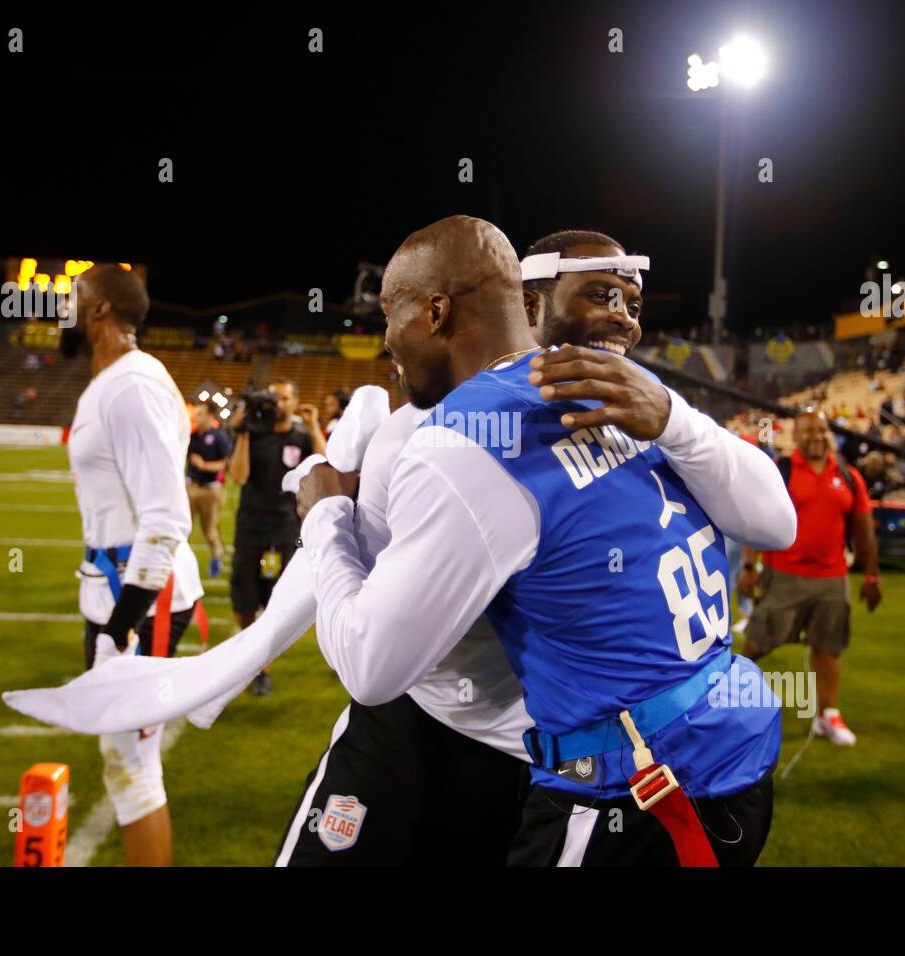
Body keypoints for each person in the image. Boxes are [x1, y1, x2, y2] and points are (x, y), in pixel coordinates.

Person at [296, 215, 796, 866]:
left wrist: (325, 516)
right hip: (703, 756)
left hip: (640, 785)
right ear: (526, 301)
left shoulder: (593, 408)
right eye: (602, 295)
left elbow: (370, 665)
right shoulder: (485, 423)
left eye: (633, 304)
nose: (625, 320)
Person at [63, 264, 204, 865]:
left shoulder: (132, 385)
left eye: (75, 297)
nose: (64, 308)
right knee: (122, 764)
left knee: (133, 772)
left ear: (100, 310)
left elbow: (167, 517)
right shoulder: (113, 381)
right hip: (114, 589)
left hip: (140, 597)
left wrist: (124, 620)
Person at [737, 409, 882, 746]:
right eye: (808, 431)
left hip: (833, 577)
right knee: (758, 642)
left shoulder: (848, 475)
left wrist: (872, 576)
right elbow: (755, 520)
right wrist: (749, 567)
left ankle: (828, 715)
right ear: (796, 437)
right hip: (784, 574)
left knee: (829, 646)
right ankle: (718, 702)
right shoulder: (781, 470)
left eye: (821, 430)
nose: (816, 437)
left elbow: (863, 529)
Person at [226, 379, 321, 695]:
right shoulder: (253, 433)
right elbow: (238, 476)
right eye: (273, 397)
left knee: (280, 595)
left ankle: (260, 664)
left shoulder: (301, 436)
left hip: (287, 528)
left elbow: (323, 469)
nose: (277, 403)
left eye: (283, 398)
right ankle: (254, 652)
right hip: (251, 523)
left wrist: (315, 426)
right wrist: (242, 433)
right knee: (242, 592)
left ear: (294, 402)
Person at [186, 400, 233, 577]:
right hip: (190, 485)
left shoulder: (219, 437)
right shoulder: (192, 435)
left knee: (209, 529)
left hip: (210, 489)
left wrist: (205, 465)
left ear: (210, 416)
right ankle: (181, 563)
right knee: (183, 527)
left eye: (200, 413)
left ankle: (216, 558)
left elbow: (225, 463)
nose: (196, 417)